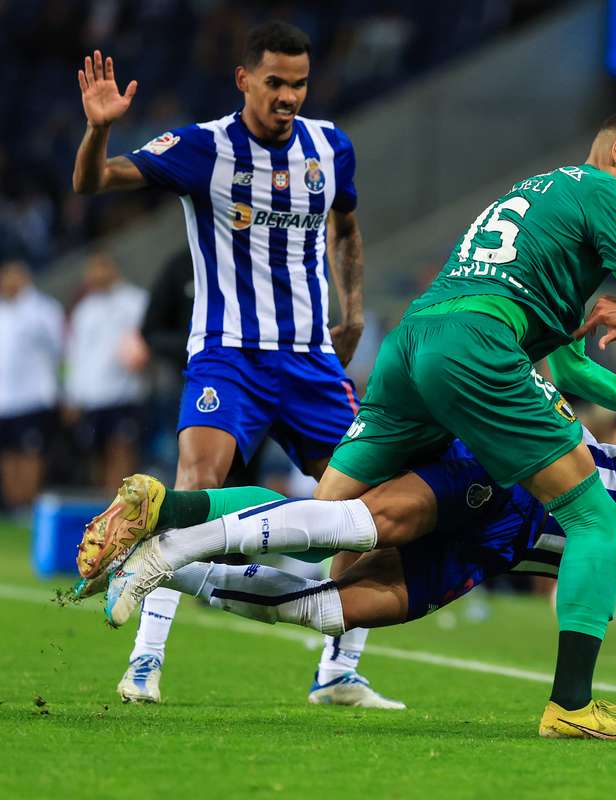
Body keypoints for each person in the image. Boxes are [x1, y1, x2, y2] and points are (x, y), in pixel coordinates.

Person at [85, 105, 616, 739]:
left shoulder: (542, 196)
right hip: (478, 346)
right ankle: (571, 704)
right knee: (593, 516)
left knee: (325, 522)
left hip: (417, 343)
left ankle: (165, 508)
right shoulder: (607, 197)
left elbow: (570, 375)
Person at [102, 327, 616, 727]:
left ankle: (176, 562)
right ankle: (169, 515)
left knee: (322, 607)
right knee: (349, 526)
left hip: (494, 554)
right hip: (508, 482)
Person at [71, 23, 376, 707]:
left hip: (311, 362)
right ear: (245, 80)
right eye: (275, 82)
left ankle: (338, 671)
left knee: (368, 504)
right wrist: (97, 130)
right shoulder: (202, 147)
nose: (289, 97)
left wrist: (352, 311)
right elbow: (93, 182)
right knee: (195, 482)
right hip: (228, 355)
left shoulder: (332, 147)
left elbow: (346, 227)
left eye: (299, 83)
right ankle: (145, 663)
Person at [63, 252, 149, 492]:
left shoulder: (136, 301)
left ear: (114, 269)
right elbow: (75, 355)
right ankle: (103, 505)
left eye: (102, 267)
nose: (96, 274)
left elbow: (146, 340)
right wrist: (71, 395)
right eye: (92, 269)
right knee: (96, 456)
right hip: (92, 396)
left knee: (121, 448)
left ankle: (123, 505)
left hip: (124, 392)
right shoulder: (84, 310)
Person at [0, 260, 63, 510]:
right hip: (4, 400)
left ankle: (28, 505)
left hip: (32, 398)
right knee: (7, 455)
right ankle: (14, 506)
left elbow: (59, 349)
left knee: (30, 455)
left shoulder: (43, 309)